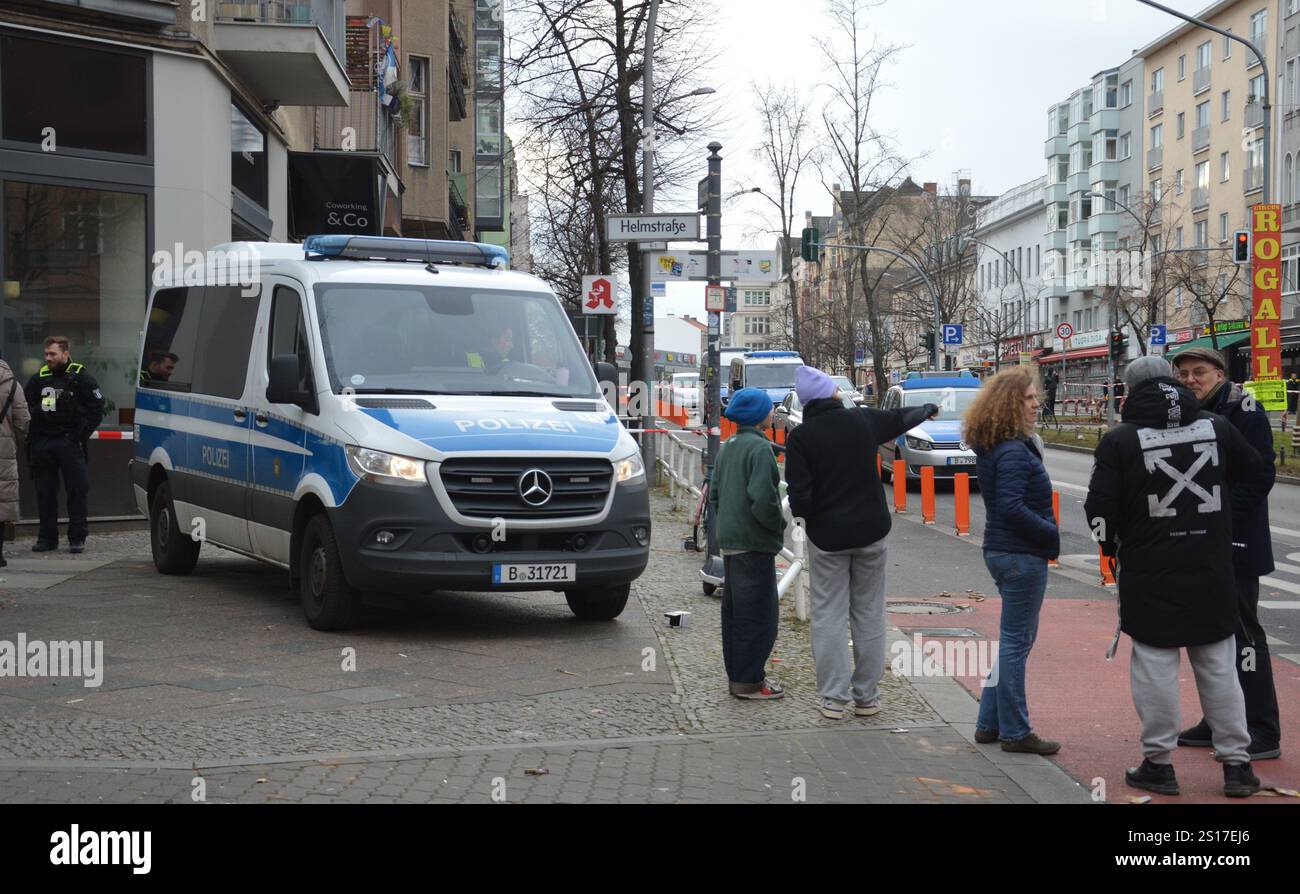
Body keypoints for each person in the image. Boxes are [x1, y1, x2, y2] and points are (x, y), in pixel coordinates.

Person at [1084, 356, 1265, 798]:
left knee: (1156, 669)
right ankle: (1238, 766)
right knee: (1219, 666)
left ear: (1129, 389)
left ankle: (1159, 765)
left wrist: (1112, 547)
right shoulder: (1216, 427)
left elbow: (1099, 511)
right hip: (1212, 567)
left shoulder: (1120, 440)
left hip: (1150, 572)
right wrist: (1224, 523)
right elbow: (1257, 473)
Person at [784, 366, 937, 720]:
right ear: (833, 394)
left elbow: (799, 496)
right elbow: (898, 418)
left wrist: (808, 522)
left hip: (828, 538)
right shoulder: (862, 421)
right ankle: (867, 697)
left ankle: (833, 700)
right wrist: (926, 409)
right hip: (871, 532)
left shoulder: (802, 438)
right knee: (869, 612)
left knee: (828, 615)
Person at [1171, 346, 1280, 761]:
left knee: (1244, 634)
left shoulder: (1243, 409)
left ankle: (1262, 728)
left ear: (1219, 374)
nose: (1190, 380)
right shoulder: (1187, 411)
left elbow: (1261, 474)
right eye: (1183, 374)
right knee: (1210, 637)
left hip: (1236, 542)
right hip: (1201, 540)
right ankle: (1219, 719)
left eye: (1199, 372)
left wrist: (1223, 523)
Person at [963, 366, 1062, 754]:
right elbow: (1010, 507)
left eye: (1036, 397)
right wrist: (1050, 533)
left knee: (1013, 641)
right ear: (1010, 404)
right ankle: (1017, 733)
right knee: (1016, 644)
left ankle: (989, 723)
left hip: (1004, 551)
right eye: (1029, 399)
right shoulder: (1012, 453)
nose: (1037, 404)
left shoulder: (998, 446)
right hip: (1020, 555)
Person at [708, 386, 786, 700]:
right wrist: (778, 525)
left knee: (735, 614)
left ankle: (738, 677)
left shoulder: (729, 446)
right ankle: (750, 682)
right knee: (759, 617)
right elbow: (764, 501)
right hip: (754, 543)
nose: (773, 412)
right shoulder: (759, 449)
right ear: (759, 416)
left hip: (730, 541)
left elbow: (714, 495)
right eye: (769, 409)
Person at [23, 336, 105, 554]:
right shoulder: (39, 378)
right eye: (46, 354)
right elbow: (25, 406)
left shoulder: (80, 377)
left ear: (65, 353)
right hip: (43, 442)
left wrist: (79, 435)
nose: (48, 358)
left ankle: (77, 538)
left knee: (77, 490)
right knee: (45, 492)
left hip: (69, 441)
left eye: (53, 354)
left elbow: (97, 408)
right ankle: (47, 538)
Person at [0, 357, 30, 568]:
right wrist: (17, 440)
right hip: (4, 449)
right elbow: (23, 420)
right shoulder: (12, 384)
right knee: (1, 501)